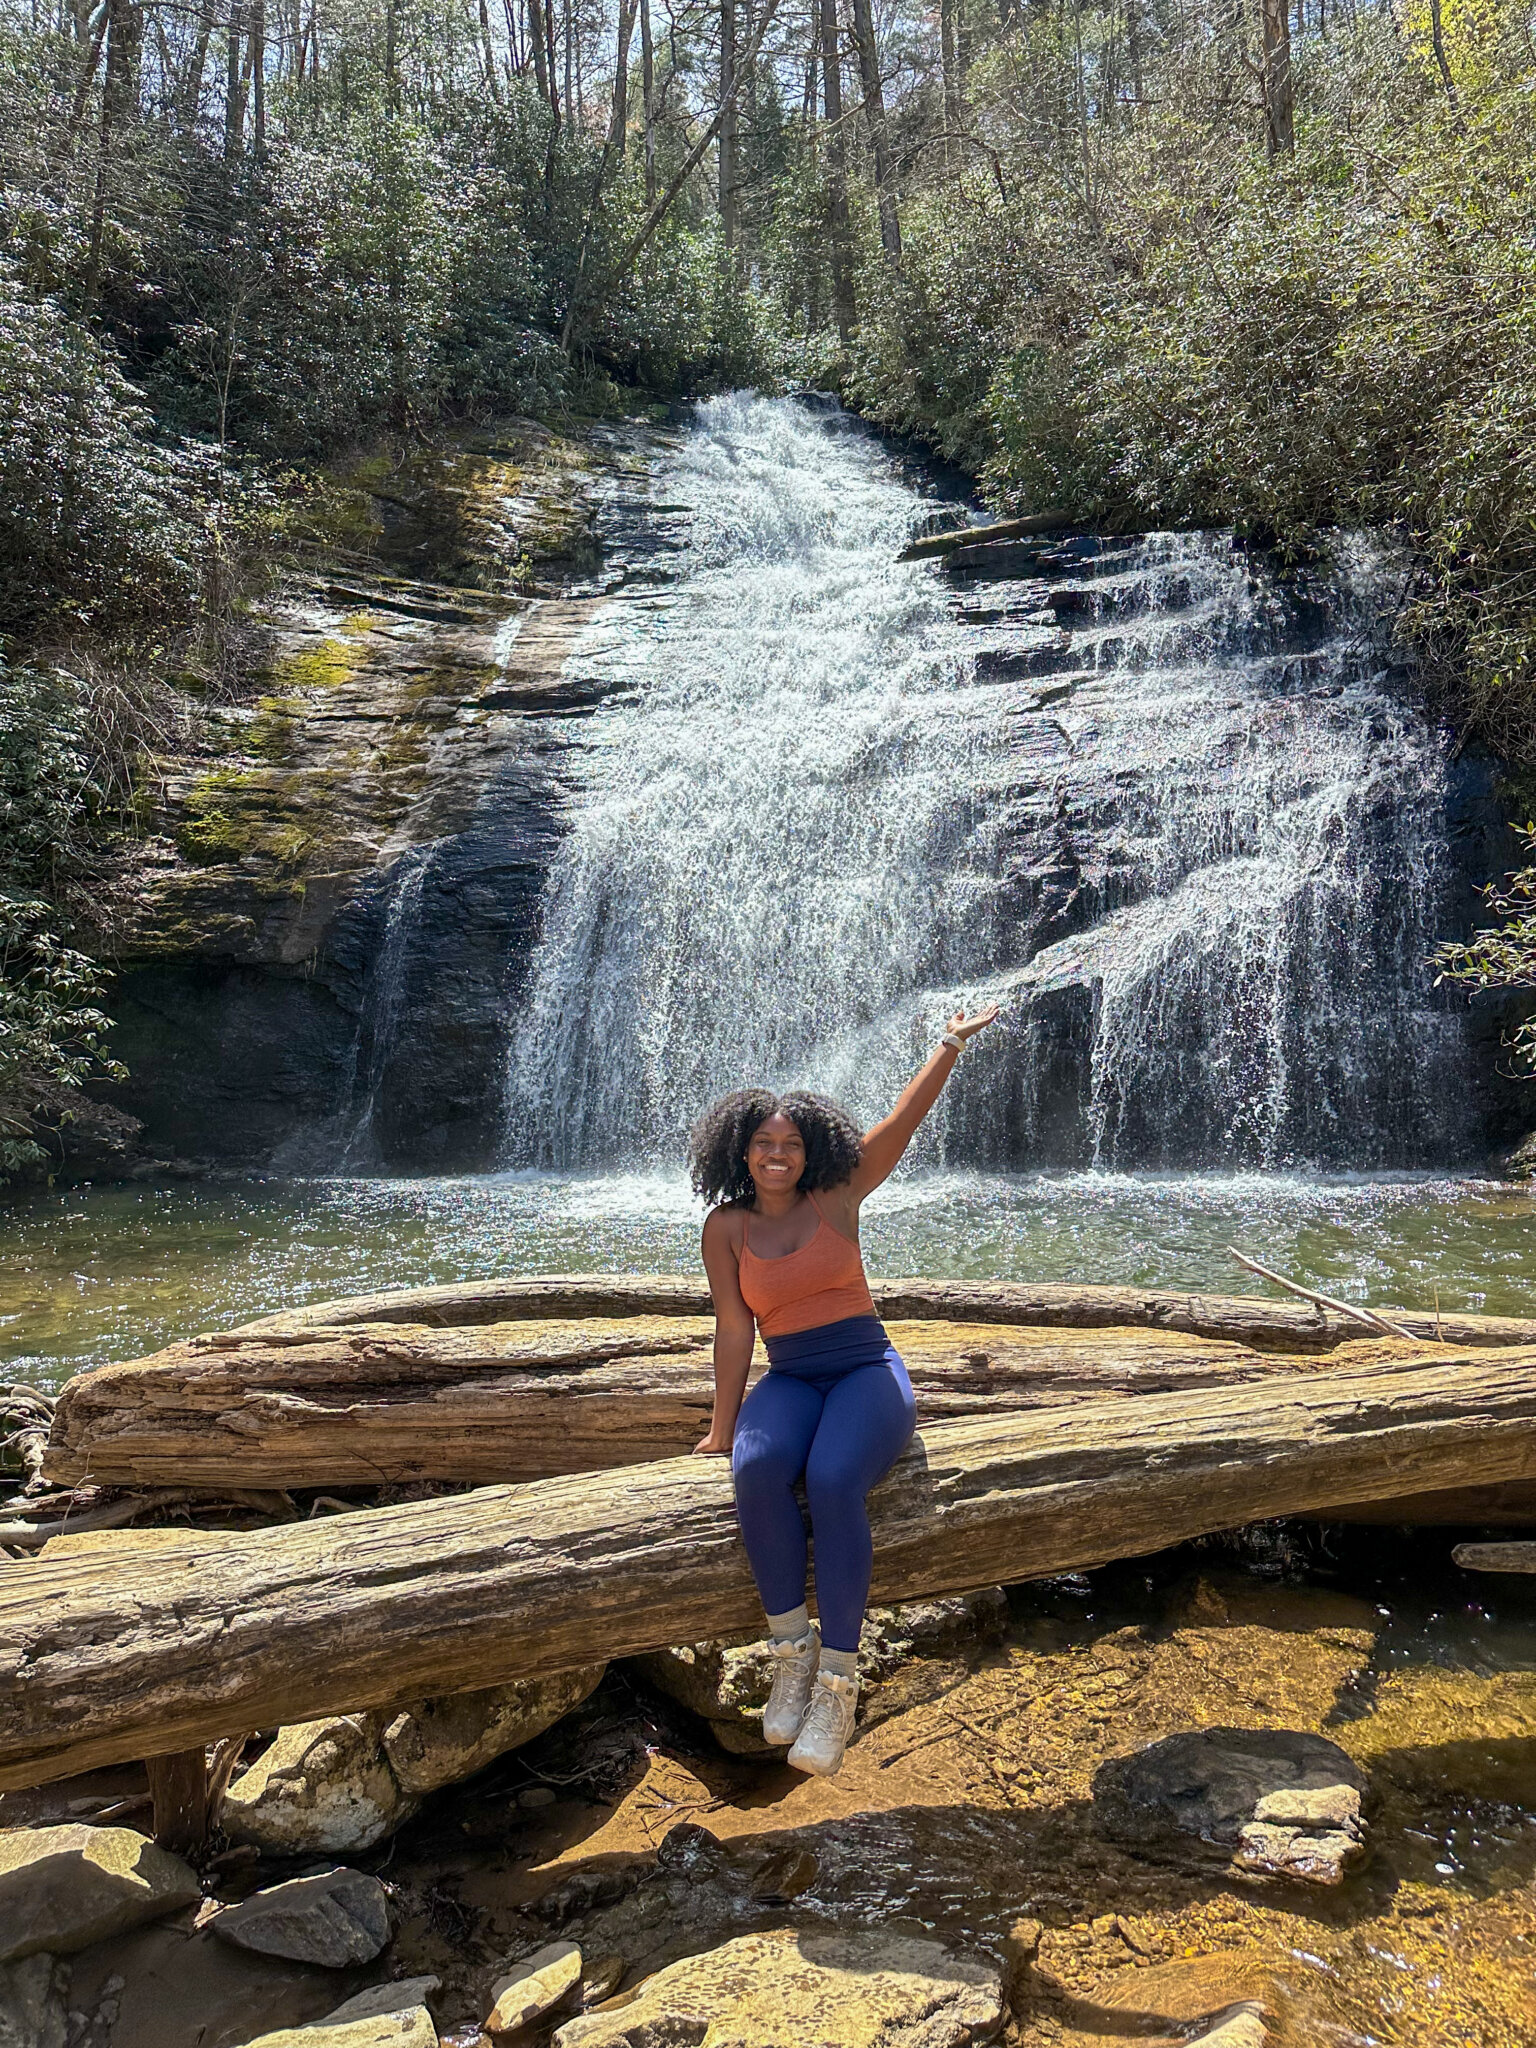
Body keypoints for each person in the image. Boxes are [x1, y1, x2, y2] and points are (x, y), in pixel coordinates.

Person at [687, 1005, 1001, 1777]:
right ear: (742, 1149)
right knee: (756, 1471)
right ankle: (791, 1655)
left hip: (866, 1370)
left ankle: (838, 1680)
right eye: (763, 1143)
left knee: (831, 1480)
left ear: (810, 1150)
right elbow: (736, 1331)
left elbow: (903, 1119)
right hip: (791, 1373)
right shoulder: (724, 1229)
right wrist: (723, 1427)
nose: (777, 1154)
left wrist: (950, 1043)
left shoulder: (840, 1194)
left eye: (790, 1144)